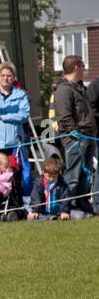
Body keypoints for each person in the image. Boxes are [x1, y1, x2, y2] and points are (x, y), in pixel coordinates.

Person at [51, 56, 96, 215]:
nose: (84, 68)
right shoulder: (63, 89)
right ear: (76, 67)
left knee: (85, 175)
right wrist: (75, 134)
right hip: (75, 139)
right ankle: (65, 208)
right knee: (72, 176)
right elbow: (64, 116)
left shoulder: (79, 87)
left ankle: (83, 206)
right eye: (83, 65)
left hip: (88, 137)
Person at [27, 156, 85, 220]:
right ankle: (51, 218)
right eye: (49, 176)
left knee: (79, 215)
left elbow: (66, 199)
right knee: (31, 218)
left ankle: (56, 218)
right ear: (43, 172)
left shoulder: (62, 184)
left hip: (59, 212)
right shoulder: (38, 184)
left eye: (54, 177)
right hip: (43, 213)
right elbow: (35, 198)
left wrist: (64, 211)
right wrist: (36, 211)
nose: (51, 179)